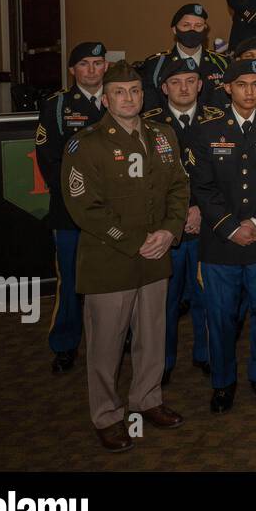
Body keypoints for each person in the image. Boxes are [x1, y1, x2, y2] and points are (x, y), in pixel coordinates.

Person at [62, 61, 189, 451]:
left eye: (134, 91)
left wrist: (169, 230)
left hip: (155, 256)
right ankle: (106, 415)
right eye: (119, 92)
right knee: (106, 345)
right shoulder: (87, 144)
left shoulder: (163, 135)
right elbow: (83, 206)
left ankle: (147, 399)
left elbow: (179, 189)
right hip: (109, 259)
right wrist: (136, 240)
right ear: (105, 99)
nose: (129, 98)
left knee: (152, 337)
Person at [186, 57, 256, 412]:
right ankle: (223, 383)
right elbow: (202, 188)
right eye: (242, 84)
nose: (249, 91)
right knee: (220, 318)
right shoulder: (205, 131)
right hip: (220, 243)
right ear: (228, 88)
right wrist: (231, 227)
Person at [35, 41, 108, 374]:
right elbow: (49, 160)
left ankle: (113, 340)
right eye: (84, 64)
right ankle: (65, 343)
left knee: (111, 281)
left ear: (106, 66)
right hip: (70, 212)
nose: (91, 70)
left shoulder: (120, 99)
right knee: (71, 281)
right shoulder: (58, 105)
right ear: (72, 70)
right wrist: (81, 201)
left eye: (97, 63)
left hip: (114, 211)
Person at [142, 56, 214, 385]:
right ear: (164, 87)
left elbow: (220, 176)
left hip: (207, 226)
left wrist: (199, 209)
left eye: (190, 81)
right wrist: (179, 214)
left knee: (205, 296)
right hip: (166, 228)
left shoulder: (217, 120)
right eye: (176, 82)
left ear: (200, 85)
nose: (183, 88)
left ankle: (206, 353)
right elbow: (147, 181)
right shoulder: (148, 125)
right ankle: (164, 361)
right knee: (165, 303)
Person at [136, 3, 229, 110]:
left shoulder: (222, 62)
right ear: (175, 29)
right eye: (186, 25)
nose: (192, 30)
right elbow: (150, 107)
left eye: (198, 26)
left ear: (205, 29)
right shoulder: (156, 64)